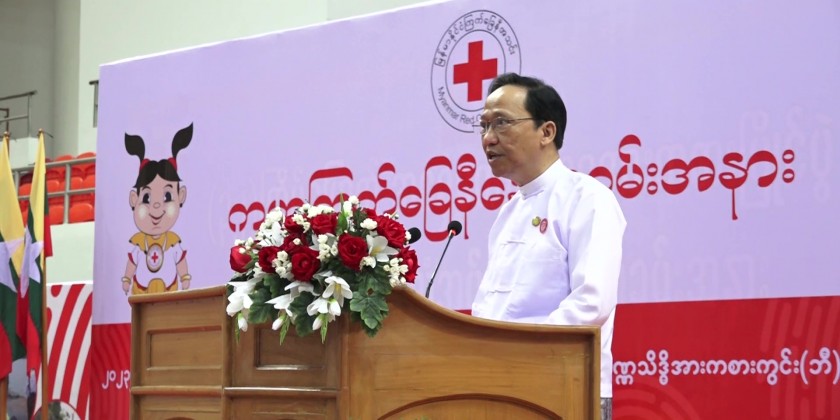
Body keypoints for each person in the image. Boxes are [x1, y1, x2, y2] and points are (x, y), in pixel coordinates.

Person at [471, 73, 626, 420]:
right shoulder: (508, 212)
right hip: (497, 387)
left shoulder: (587, 198)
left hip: (562, 387)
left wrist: (519, 352)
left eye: (501, 123)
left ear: (547, 132)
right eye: (483, 126)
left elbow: (591, 301)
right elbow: (489, 306)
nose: (488, 138)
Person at [121, 124, 194, 296]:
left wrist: (184, 277)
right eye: (146, 198)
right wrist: (126, 279)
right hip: (141, 295)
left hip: (169, 294)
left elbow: (180, 260)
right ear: (134, 199)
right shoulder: (138, 243)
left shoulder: (173, 242)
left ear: (181, 196)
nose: (156, 206)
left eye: (167, 197)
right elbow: (132, 262)